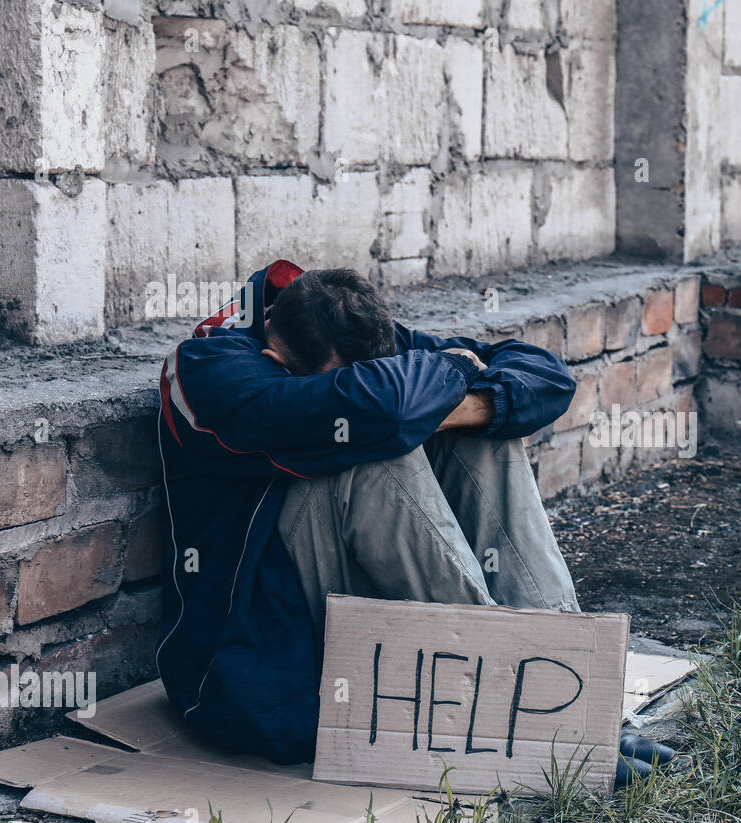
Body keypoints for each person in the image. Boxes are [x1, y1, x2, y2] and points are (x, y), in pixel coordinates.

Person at [155, 260, 586, 767]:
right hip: (256, 657)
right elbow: (382, 408)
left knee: (485, 430)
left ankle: (570, 692)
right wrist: (457, 369)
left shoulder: (351, 334)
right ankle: (514, 713)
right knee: (375, 442)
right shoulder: (211, 368)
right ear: (277, 357)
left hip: (358, 599)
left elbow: (550, 377)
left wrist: (468, 404)